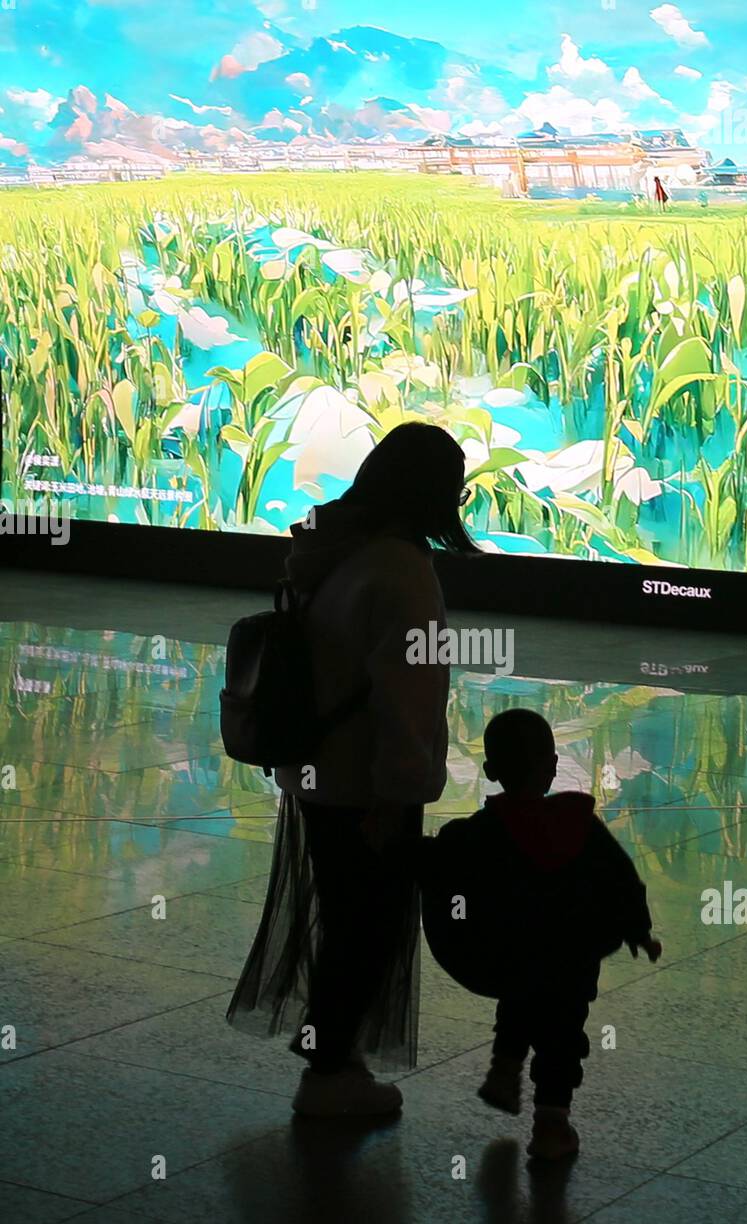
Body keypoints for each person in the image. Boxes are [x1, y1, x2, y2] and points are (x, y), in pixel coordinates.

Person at [227, 422, 476, 1117]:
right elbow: (409, 698)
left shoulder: (330, 551)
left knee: (340, 918)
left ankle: (332, 1062)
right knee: (363, 932)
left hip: (315, 771)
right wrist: (399, 795)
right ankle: (330, 1074)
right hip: (365, 783)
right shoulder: (403, 572)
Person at [419, 709, 661, 1160]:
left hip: (512, 955)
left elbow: (439, 864)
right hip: (571, 959)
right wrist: (638, 930)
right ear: (552, 765)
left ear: (490, 772)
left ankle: (505, 1069)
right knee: (561, 1034)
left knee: (520, 997)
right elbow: (621, 879)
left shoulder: (480, 833)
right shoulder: (580, 825)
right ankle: (551, 1125)